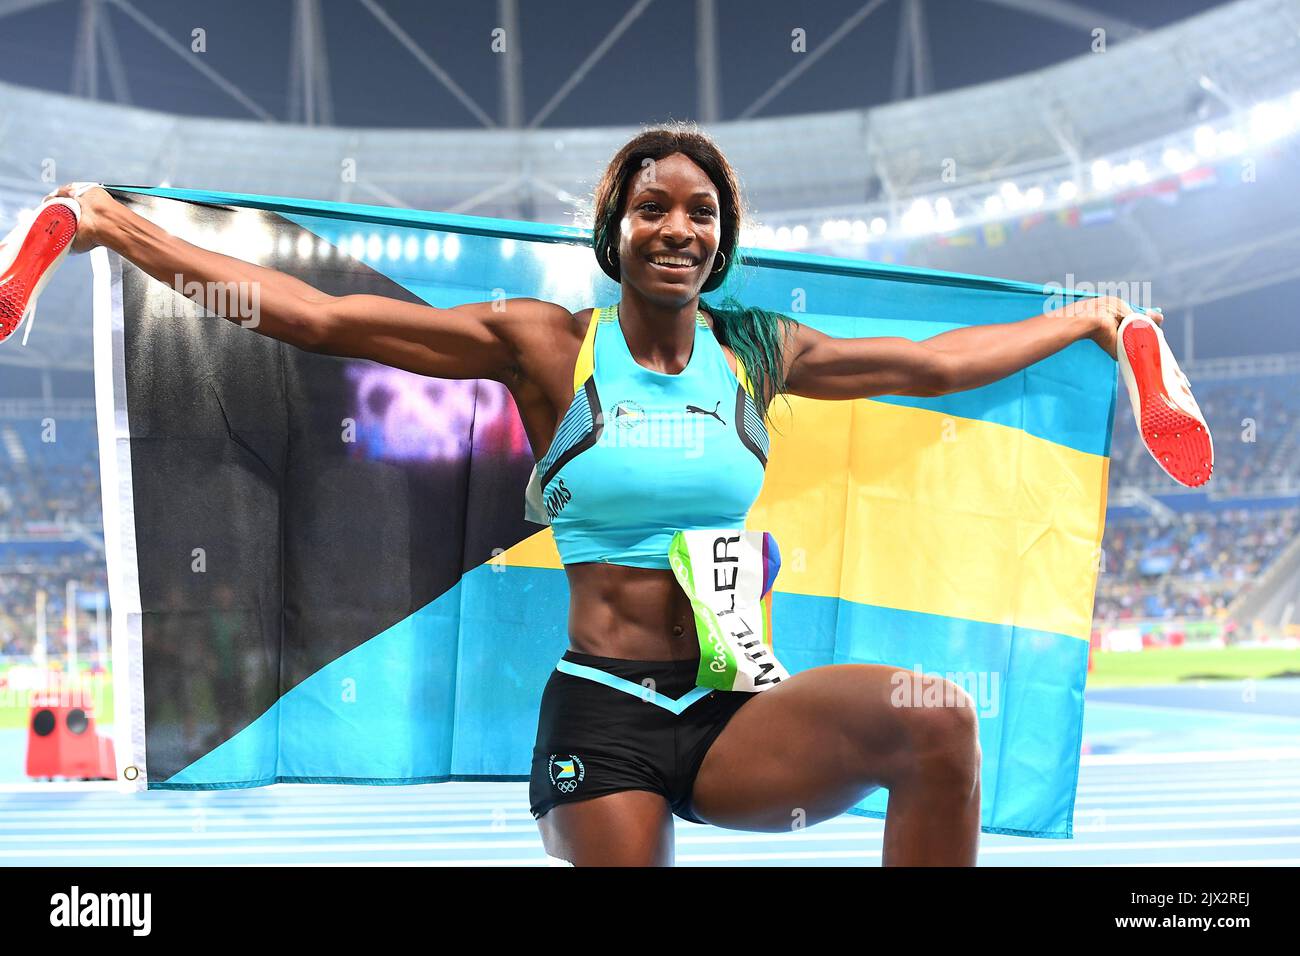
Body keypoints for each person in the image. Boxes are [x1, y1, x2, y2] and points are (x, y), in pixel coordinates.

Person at [44, 121, 1152, 866]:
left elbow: (936, 366)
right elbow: (316, 318)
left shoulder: (759, 351)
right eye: (654, 207)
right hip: (603, 717)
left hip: (732, 708)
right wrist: (114, 225)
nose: (679, 227)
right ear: (613, 229)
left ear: (721, 240)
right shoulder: (545, 344)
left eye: (702, 213)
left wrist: (1088, 318)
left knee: (938, 718)